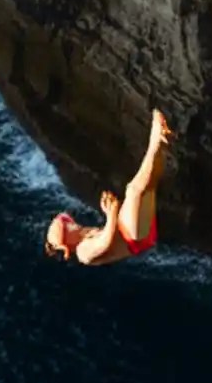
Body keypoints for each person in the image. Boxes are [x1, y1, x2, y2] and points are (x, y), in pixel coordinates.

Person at [43, 108, 173, 265]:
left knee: (150, 184)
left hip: (132, 231)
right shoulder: (83, 253)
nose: (70, 222)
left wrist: (112, 213)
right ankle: (156, 138)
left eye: (65, 220)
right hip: (131, 236)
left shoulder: (84, 235)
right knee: (134, 190)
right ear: (66, 245)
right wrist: (111, 213)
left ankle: (164, 143)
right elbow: (105, 243)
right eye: (66, 227)